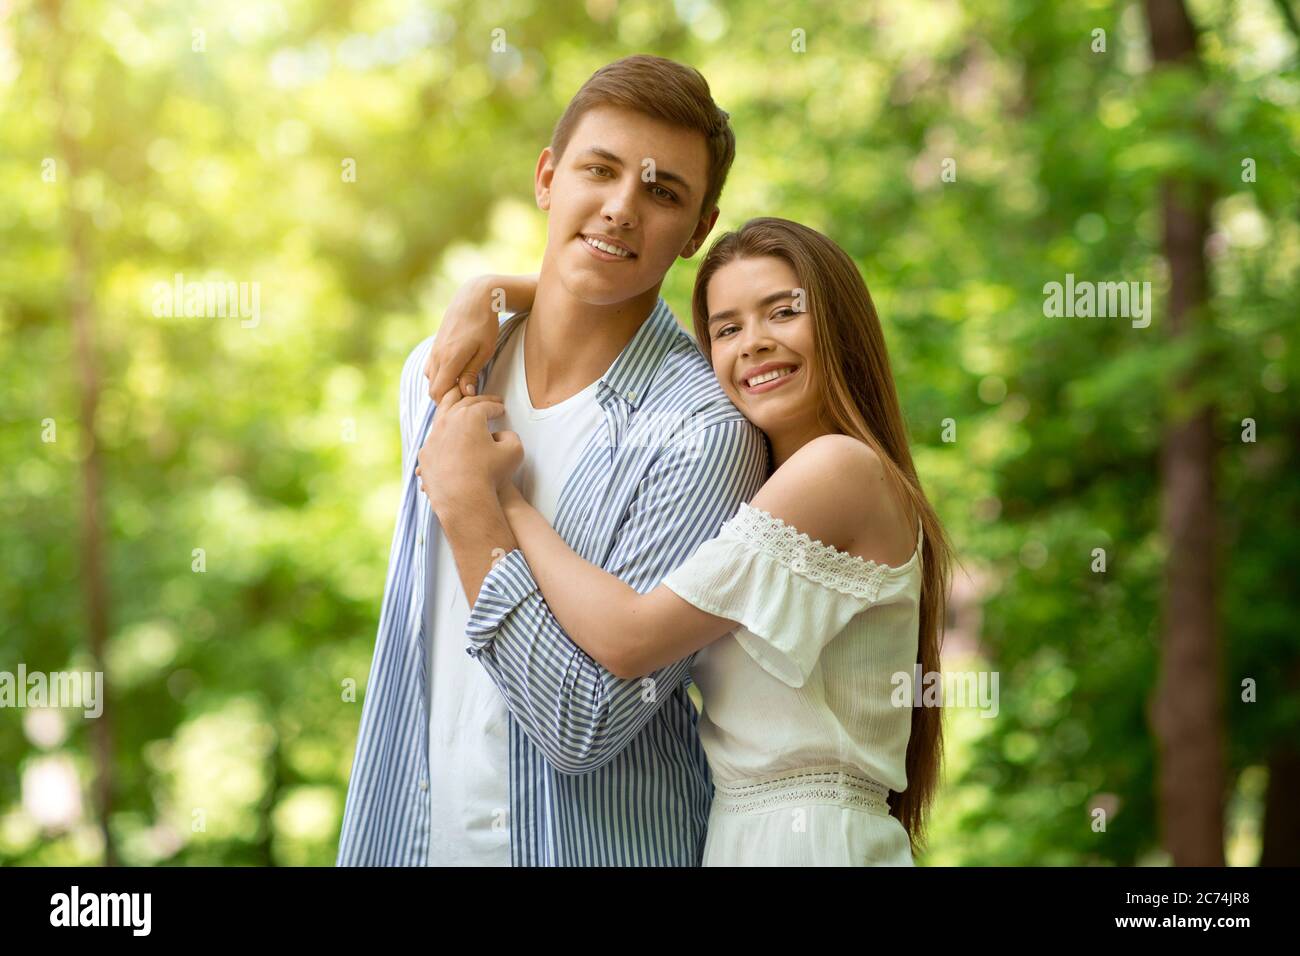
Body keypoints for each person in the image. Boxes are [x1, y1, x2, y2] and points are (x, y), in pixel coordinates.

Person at [336, 54, 765, 866]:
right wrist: (496, 291)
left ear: (697, 231)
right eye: (597, 171)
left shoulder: (703, 433)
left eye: (662, 192)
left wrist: (473, 506)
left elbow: (585, 725)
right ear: (547, 175)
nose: (619, 209)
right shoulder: (438, 369)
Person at [422, 217, 953, 865]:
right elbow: (650, 334)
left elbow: (629, 639)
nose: (753, 344)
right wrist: (496, 292)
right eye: (727, 329)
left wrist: (500, 497)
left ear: (840, 324)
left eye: (782, 312)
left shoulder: (838, 469)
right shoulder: (779, 486)